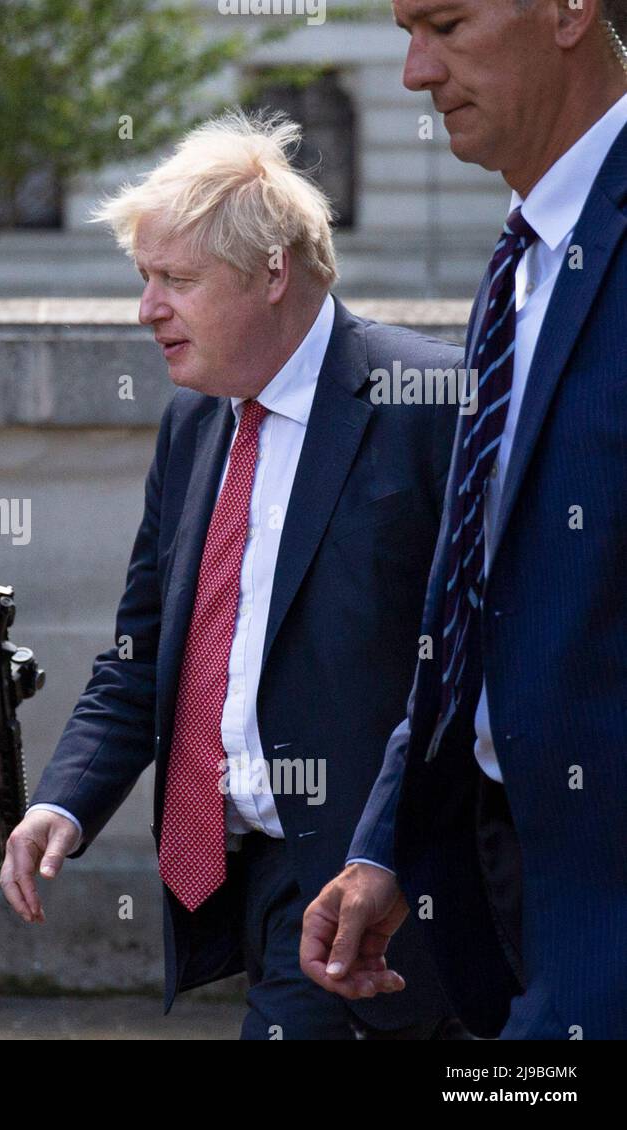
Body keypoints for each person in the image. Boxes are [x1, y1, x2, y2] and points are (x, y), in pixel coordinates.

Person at [0, 112, 465, 1039]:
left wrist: (387, 851)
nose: (146, 309)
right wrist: (64, 797)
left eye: (175, 280)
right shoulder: (196, 420)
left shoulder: (430, 400)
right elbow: (142, 654)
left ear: (273, 272)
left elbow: (463, 667)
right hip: (251, 878)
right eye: (143, 279)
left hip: (383, 881)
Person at [302, 0, 627, 1040]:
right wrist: (389, 839)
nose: (411, 73)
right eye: (404, 28)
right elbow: (473, 591)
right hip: (502, 897)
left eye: (444, 23)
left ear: (571, 9)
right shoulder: (522, 258)